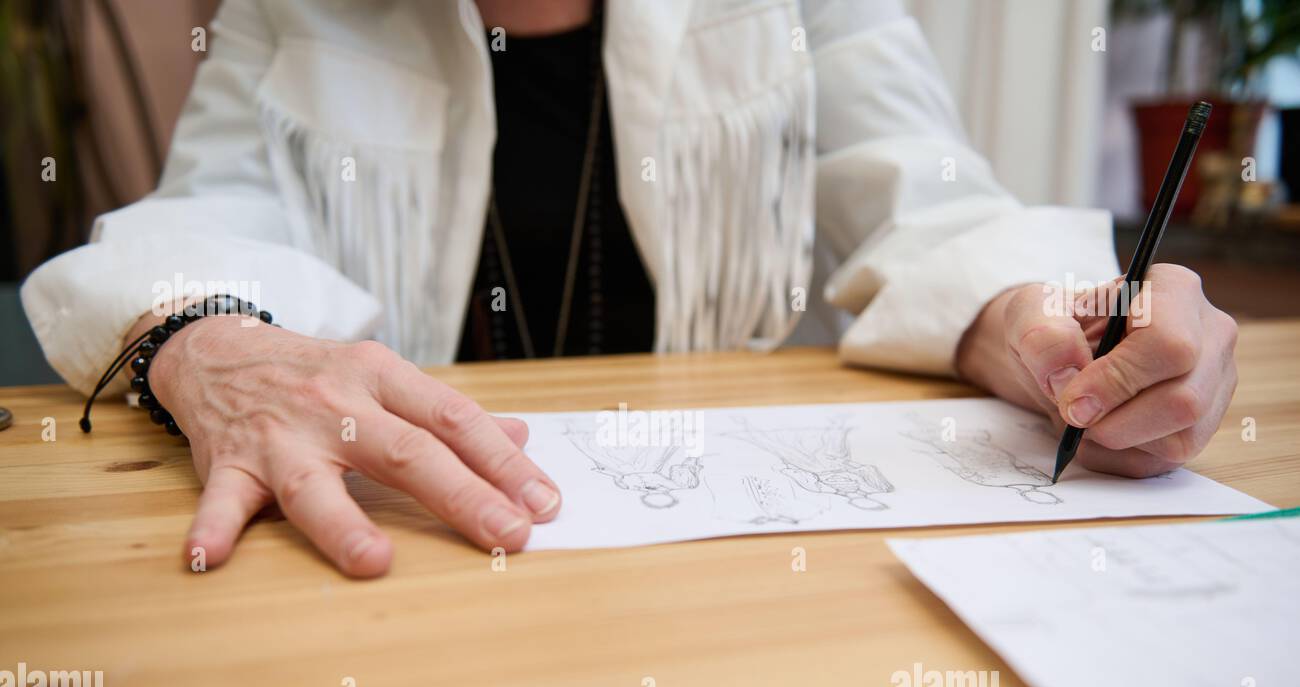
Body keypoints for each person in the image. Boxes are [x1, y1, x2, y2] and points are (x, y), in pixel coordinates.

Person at [21, 0, 1239, 577]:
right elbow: (197, 234)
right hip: (413, 563)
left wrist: (1044, 328)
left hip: (723, 571)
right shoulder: (293, 9)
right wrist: (204, 342)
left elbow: (937, 214)